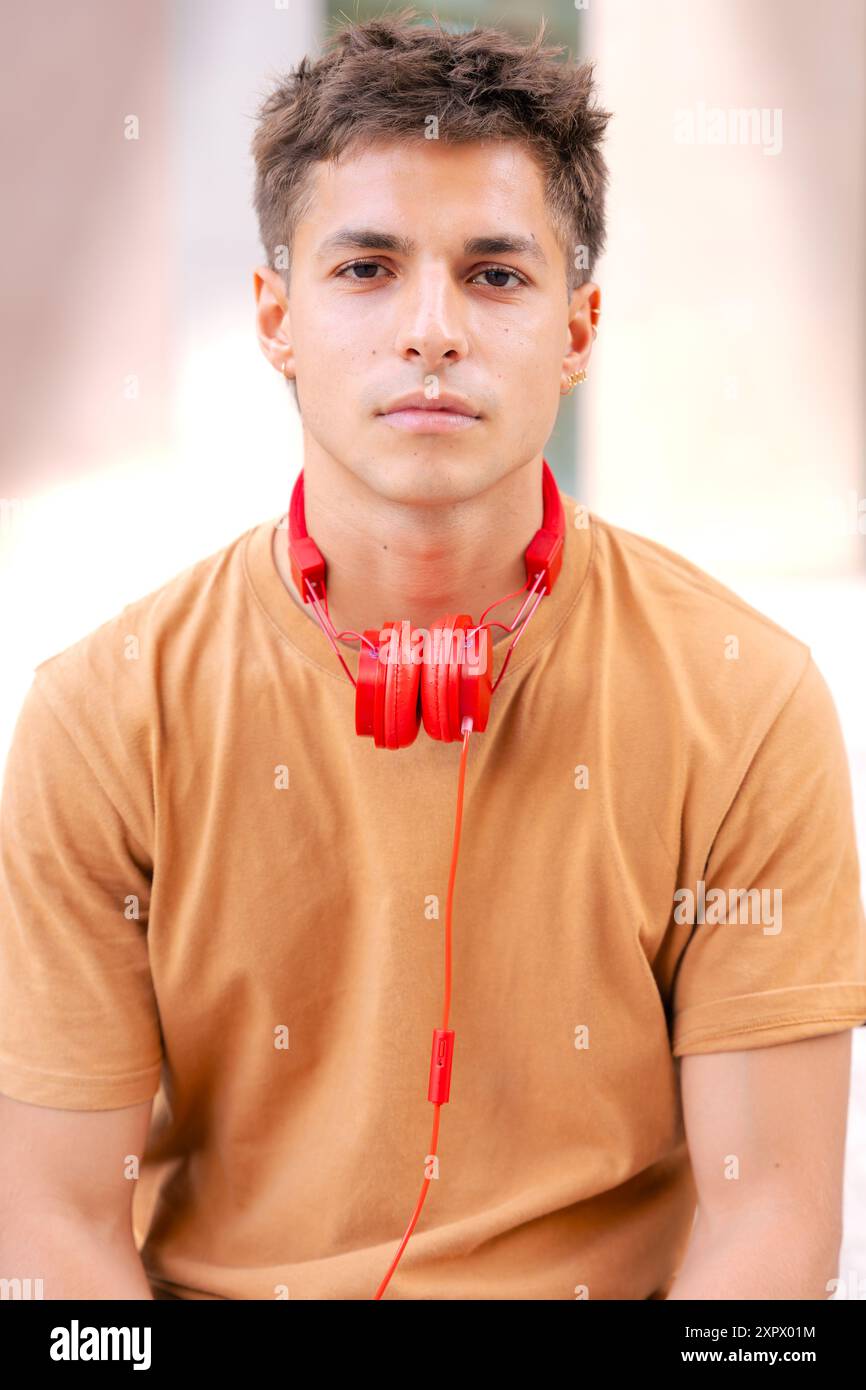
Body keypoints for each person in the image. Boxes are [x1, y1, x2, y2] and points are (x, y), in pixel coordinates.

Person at [1, 8, 865, 1303]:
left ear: (577, 330)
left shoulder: (745, 701)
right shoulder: (98, 716)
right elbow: (55, 1241)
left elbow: (769, 1234)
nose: (430, 329)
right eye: (364, 268)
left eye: (494, 273)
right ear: (273, 317)